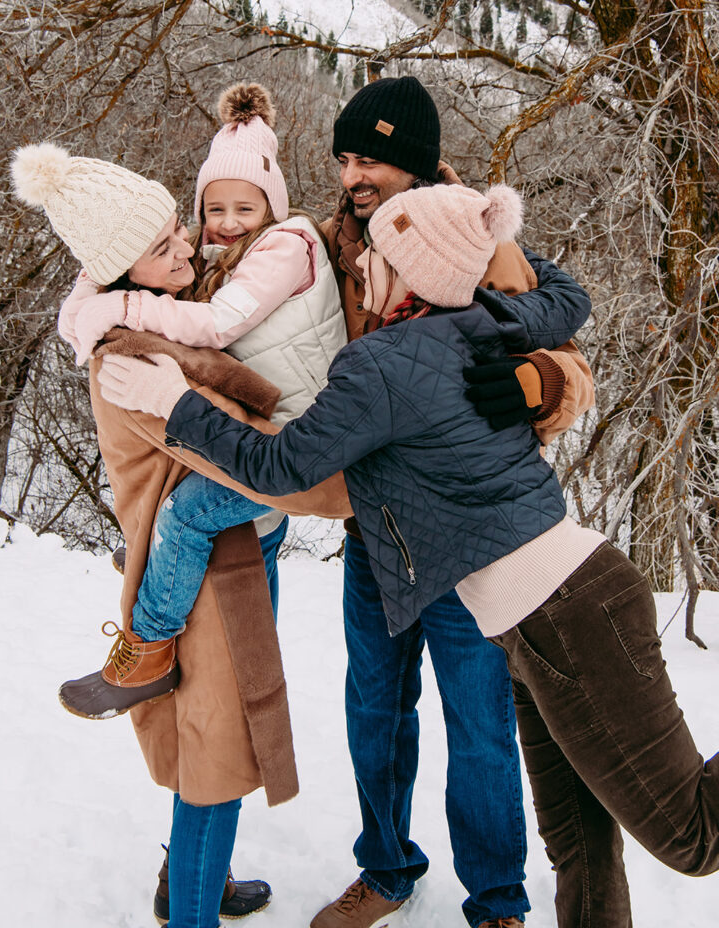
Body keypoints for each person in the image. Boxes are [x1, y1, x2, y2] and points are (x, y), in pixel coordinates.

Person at [97, 180, 719, 928]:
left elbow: (281, 467)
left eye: (379, 260)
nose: (362, 271)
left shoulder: (383, 363)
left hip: (569, 612)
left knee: (691, 837)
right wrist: (476, 228)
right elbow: (563, 295)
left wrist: (178, 404)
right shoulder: (488, 317)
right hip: (547, 615)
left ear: (414, 270)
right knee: (577, 837)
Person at [11, 139, 351, 928]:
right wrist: (346, 484)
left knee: (212, 732)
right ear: (126, 269)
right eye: (165, 245)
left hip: (225, 555)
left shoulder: (147, 306)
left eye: (179, 228)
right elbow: (257, 459)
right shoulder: (134, 355)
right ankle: (192, 911)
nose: (190, 246)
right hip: (206, 576)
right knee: (216, 755)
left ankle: (191, 882)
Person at [316, 75, 596, 928]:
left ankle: (498, 901)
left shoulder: (467, 235)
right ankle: (387, 868)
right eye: (346, 158)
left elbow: (567, 334)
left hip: (469, 536)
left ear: (415, 166)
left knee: (480, 723)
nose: (354, 176)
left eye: (372, 160)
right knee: (374, 707)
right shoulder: (326, 246)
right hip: (373, 529)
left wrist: (536, 379)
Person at [52, 83, 346, 716]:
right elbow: (126, 257)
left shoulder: (284, 246)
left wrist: (118, 303)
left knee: (185, 516)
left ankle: (148, 646)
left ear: (272, 205)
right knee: (228, 600)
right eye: (214, 209)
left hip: (298, 443)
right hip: (262, 438)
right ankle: (170, 597)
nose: (224, 223)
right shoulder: (218, 250)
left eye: (246, 206)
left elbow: (215, 325)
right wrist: (92, 283)